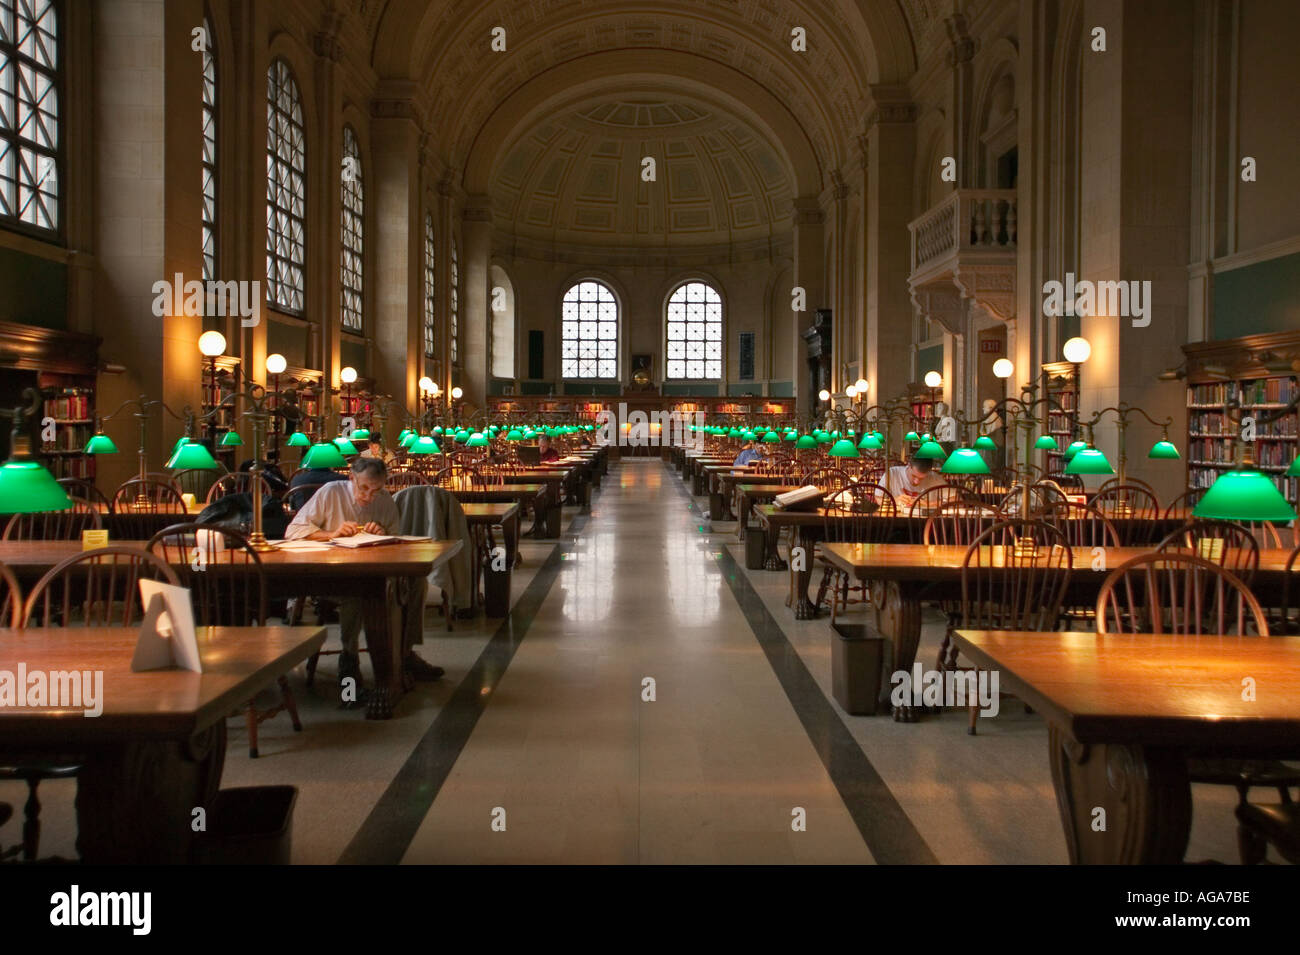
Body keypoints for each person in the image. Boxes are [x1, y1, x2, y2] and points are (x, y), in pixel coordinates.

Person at [284, 457, 444, 693]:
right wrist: (331, 533)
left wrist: (382, 533)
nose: (369, 496)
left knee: (417, 582)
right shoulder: (331, 493)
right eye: (364, 488)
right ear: (351, 478)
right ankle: (349, 658)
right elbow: (293, 531)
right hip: (333, 574)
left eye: (376, 490)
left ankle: (406, 652)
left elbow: (398, 543)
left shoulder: (385, 501)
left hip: (376, 571)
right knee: (357, 592)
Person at [882, 454, 948, 511]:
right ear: (909, 465)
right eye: (914, 476)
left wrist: (928, 504)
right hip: (896, 520)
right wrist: (893, 500)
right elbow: (878, 498)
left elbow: (954, 499)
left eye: (922, 478)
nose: (916, 482)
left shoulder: (934, 478)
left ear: (929, 471)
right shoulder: (892, 473)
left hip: (927, 522)